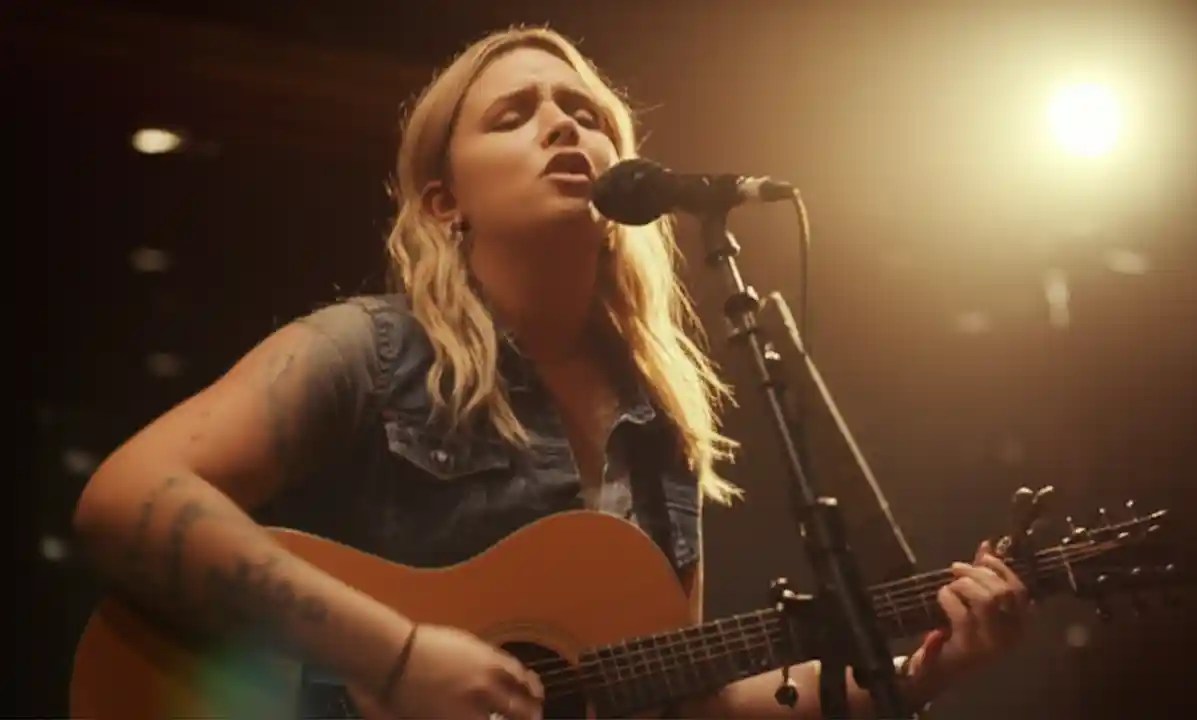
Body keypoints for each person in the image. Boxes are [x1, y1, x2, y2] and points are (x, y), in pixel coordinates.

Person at [71, 25, 1031, 720]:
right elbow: (125, 499)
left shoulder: (661, 423)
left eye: (584, 112)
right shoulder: (367, 350)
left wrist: (918, 674)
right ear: (446, 201)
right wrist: (395, 656)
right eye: (514, 115)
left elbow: (689, 702)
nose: (563, 127)